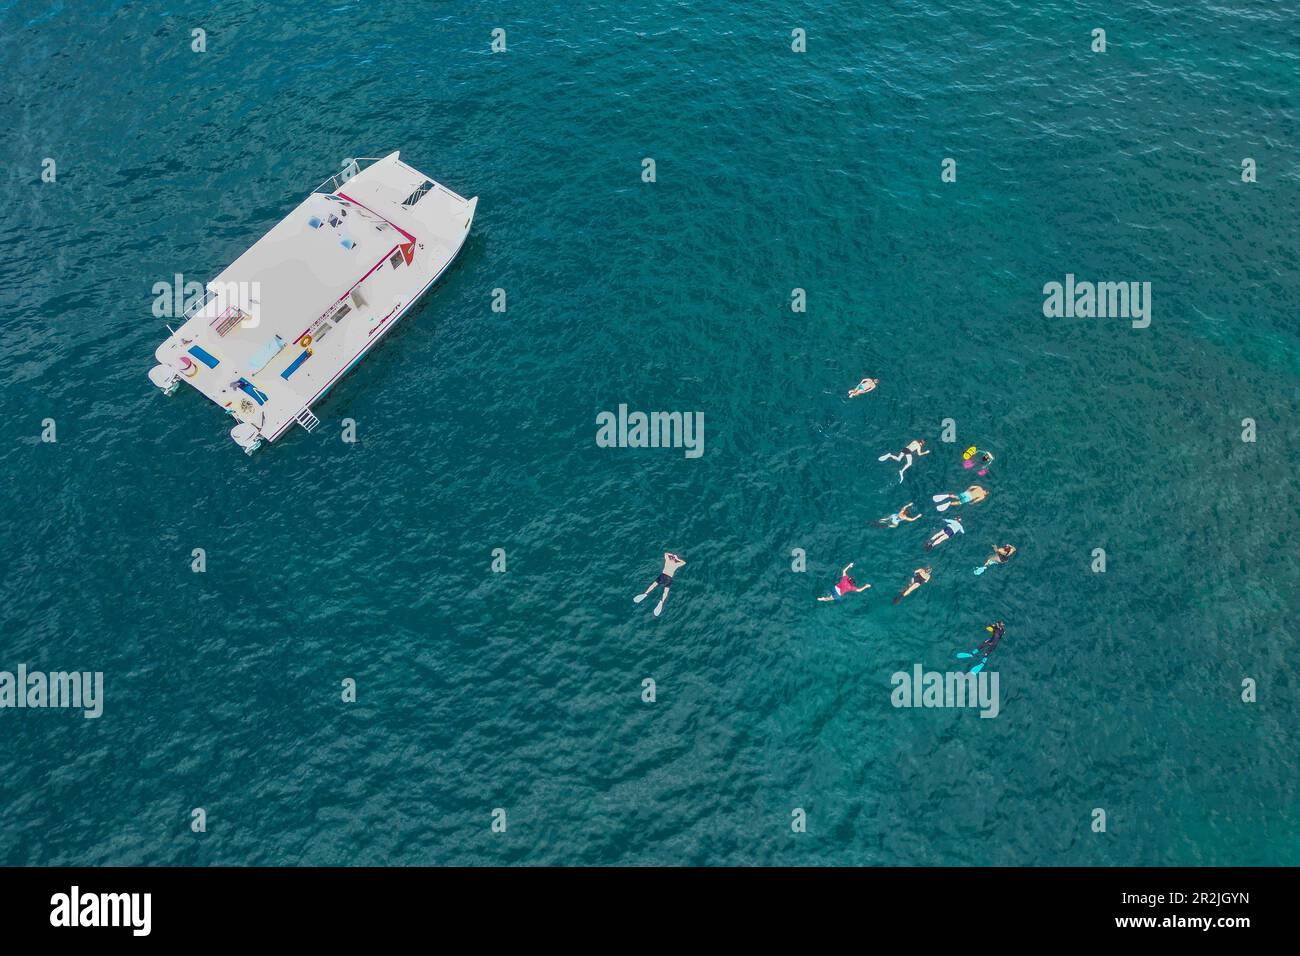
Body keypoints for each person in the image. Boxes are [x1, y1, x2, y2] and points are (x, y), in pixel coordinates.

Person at [634, 552, 686, 617]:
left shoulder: (668, 560)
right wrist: (677, 558)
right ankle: (661, 601)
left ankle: (646, 593)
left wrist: (671, 555)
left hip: (662, 576)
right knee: (665, 592)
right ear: (674, 560)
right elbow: (684, 563)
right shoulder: (676, 564)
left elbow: (665, 554)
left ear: (670, 558)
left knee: (653, 585)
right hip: (669, 578)